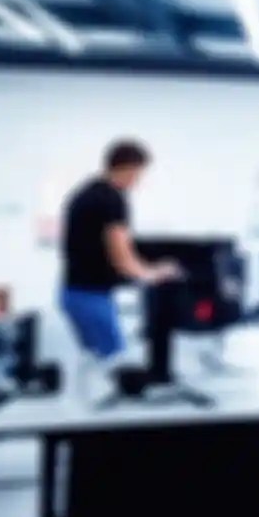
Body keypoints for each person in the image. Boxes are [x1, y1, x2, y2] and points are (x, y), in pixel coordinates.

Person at [59, 140, 179, 362]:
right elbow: (121, 256)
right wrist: (153, 274)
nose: (138, 180)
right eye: (139, 173)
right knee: (117, 362)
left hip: (74, 293)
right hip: (90, 296)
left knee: (95, 361)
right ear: (129, 168)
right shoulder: (112, 199)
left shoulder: (86, 191)